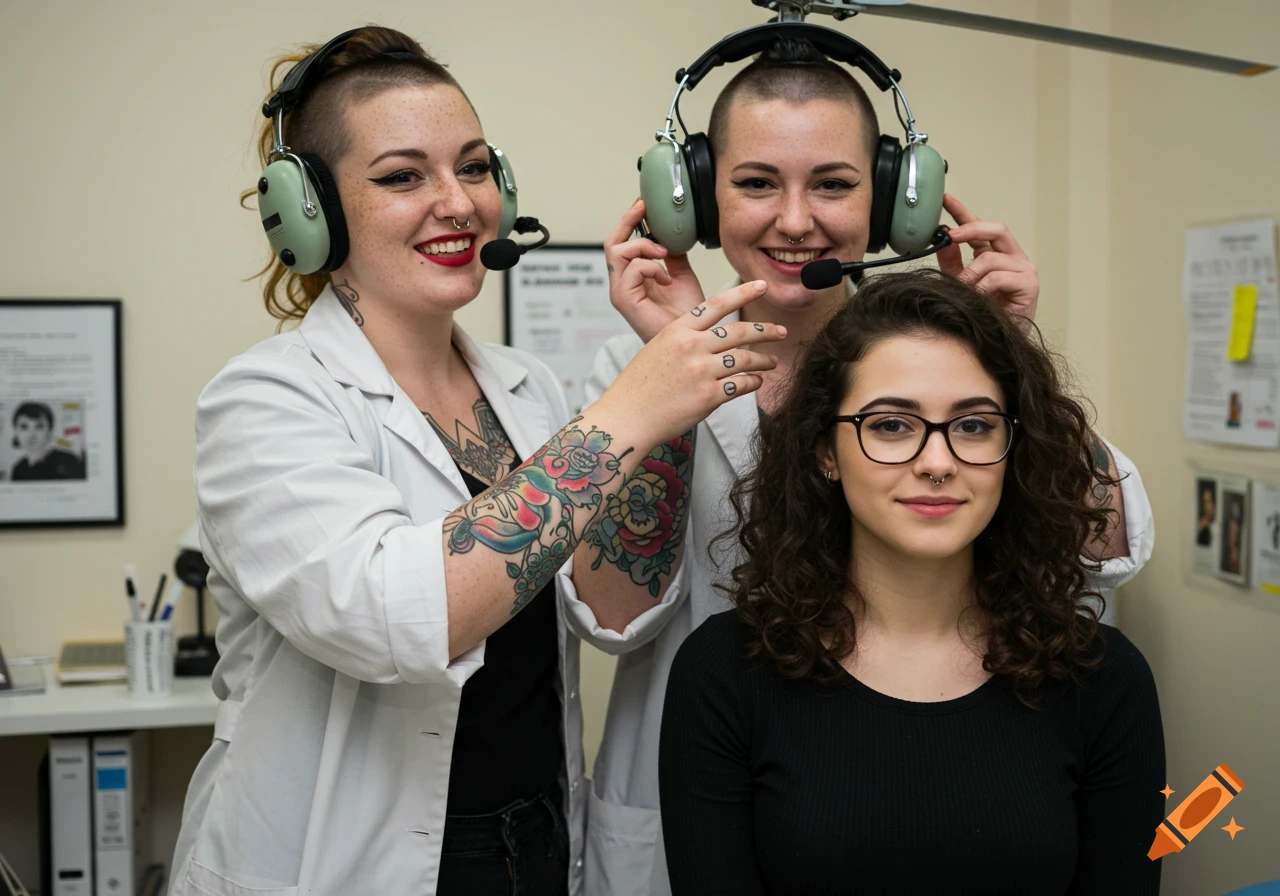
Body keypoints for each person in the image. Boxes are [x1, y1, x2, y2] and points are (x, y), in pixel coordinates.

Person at [166, 26, 783, 896]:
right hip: (343, 858)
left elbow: (610, 612)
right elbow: (394, 617)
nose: (457, 202)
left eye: (475, 167)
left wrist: (667, 408)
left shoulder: (521, 386)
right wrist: (626, 412)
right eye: (402, 177)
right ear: (312, 211)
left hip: (533, 837)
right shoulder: (265, 399)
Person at [562, 37, 1155, 893]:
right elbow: (612, 618)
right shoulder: (632, 377)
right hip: (706, 790)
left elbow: (1106, 550)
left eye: (834, 184)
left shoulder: (929, 353)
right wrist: (677, 373)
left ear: (888, 202)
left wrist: (1007, 349)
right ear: (692, 197)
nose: (796, 221)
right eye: (757, 182)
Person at [659, 270, 1166, 895]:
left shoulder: (1102, 676)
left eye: (975, 425)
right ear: (825, 452)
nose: (936, 461)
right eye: (891, 425)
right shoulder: (726, 671)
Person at [9, 402, 85, 481]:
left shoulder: (69, 461)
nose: (31, 434)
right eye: (24, 427)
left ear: (49, 431)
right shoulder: (18, 469)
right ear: (16, 432)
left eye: (39, 426)